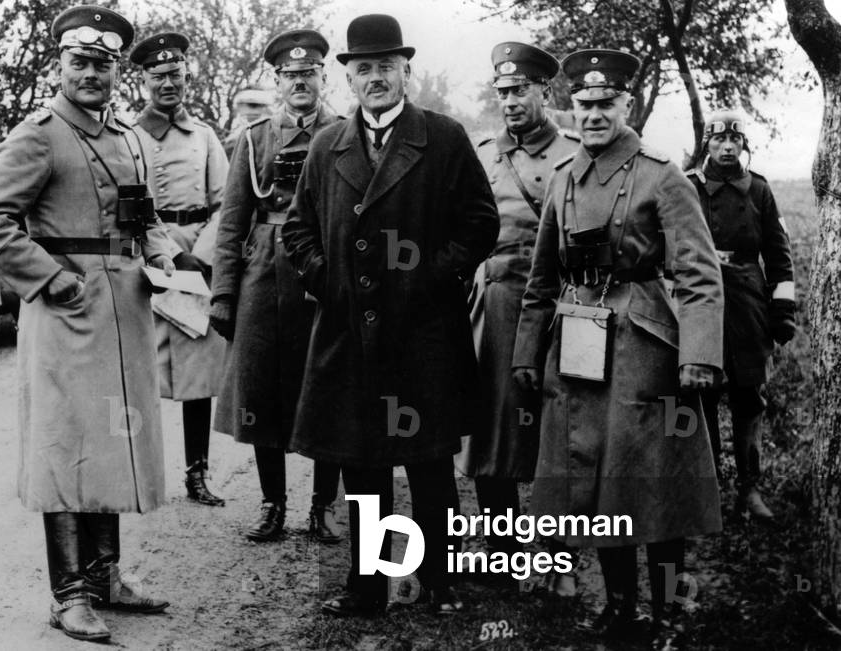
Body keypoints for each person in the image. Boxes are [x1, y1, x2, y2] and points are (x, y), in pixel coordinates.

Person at [0, 5, 176, 642]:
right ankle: (69, 594)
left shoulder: (126, 137)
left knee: (112, 442)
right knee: (64, 448)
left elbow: (143, 220)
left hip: (124, 314)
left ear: (117, 71)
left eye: (103, 64)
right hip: (65, 314)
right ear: (59, 63)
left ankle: (106, 575)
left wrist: (168, 258)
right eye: (78, 62)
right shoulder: (38, 134)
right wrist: (52, 278)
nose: (91, 73)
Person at [281, 14, 499, 616]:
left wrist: (427, 278)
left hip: (423, 330)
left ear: (407, 70)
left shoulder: (444, 137)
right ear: (347, 77)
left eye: (386, 66)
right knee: (362, 464)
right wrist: (328, 281)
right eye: (363, 68)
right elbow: (297, 228)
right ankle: (366, 585)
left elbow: (481, 223)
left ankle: (439, 582)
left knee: (429, 462)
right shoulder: (328, 146)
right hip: (349, 332)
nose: (375, 78)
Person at [511, 49, 725, 643]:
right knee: (595, 478)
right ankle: (620, 607)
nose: (595, 114)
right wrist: (527, 352)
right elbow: (540, 278)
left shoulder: (662, 174)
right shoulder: (562, 178)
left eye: (606, 103)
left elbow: (699, 273)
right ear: (570, 107)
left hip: (643, 344)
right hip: (578, 338)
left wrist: (700, 355)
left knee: (651, 481)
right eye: (584, 104)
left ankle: (665, 612)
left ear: (627, 104)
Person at [210, 29, 343, 544]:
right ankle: (273, 503)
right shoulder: (255, 138)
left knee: (328, 386)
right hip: (264, 274)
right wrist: (224, 294)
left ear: (323, 78)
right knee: (261, 387)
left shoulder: (344, 132)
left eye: (309, 74)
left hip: (323, 272)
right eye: (291, 76)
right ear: (277, 81)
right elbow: (231, 223)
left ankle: (322, 506)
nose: (300, 83)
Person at [458, 41, 580, 596]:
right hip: (502, 299)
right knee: (497, 427)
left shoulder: (578, 151)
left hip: (566, 303)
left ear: (544, 92)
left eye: (520, 90)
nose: (509, 101)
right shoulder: (482, 153)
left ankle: (559, 562)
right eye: (502, 92)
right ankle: (503, 554)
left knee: (564, 425)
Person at [130, 31, 229, 507]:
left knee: (193, 373)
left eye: (176, 74)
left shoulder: (205, 136)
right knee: (140, 371)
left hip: (196, 261)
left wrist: (200, 256)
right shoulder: (128, 137)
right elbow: (127, 205)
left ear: (188, 76)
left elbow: (226, 204)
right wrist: (165, 252)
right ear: (144, 79)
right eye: (158, 76)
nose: (168, 83)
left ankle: (196, 474)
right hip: (146, 256)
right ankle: (137, 474)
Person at [686, 110, 796, 521]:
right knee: (702, 394)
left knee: (749, 396)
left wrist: (782, 310)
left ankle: (749, 490)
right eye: (719, 140)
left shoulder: (760, 191)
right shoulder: (688, 187)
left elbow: (779, 255)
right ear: (707, 145)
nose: (728, 147)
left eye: (735, 140)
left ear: (743, 145)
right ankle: (706, 488)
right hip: (700, 298)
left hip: (749, 300)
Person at [223, 87, 275, 157]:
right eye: (250, 105)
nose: (253, 111)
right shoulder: (233, 139)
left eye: (256, 105)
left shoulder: (273, 134)